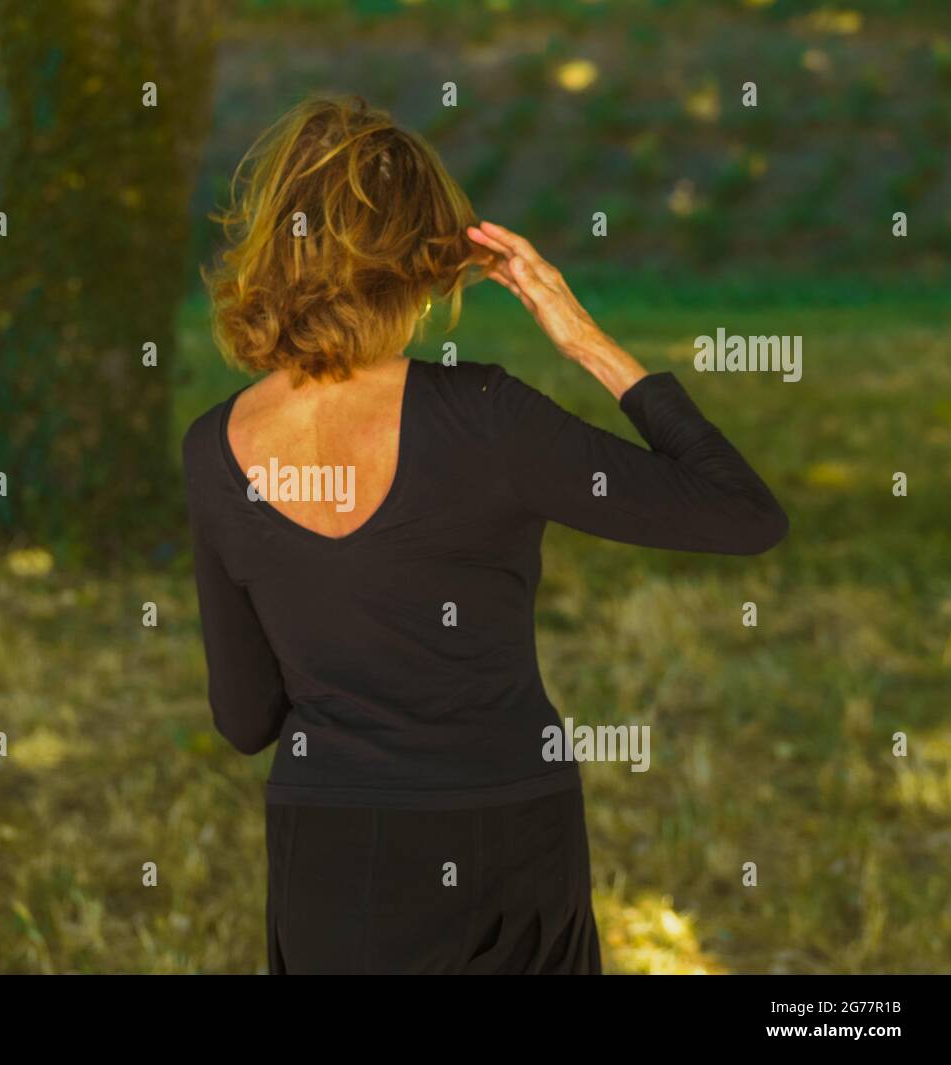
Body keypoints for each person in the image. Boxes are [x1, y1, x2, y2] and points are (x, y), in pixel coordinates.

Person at [182, 95, 788, 974]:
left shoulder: (213, 449)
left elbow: (244, 720)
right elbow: (744, 514)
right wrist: (586, 342)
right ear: (427, 266)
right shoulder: (486, 417)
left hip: (335, 854)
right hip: (510, 839)